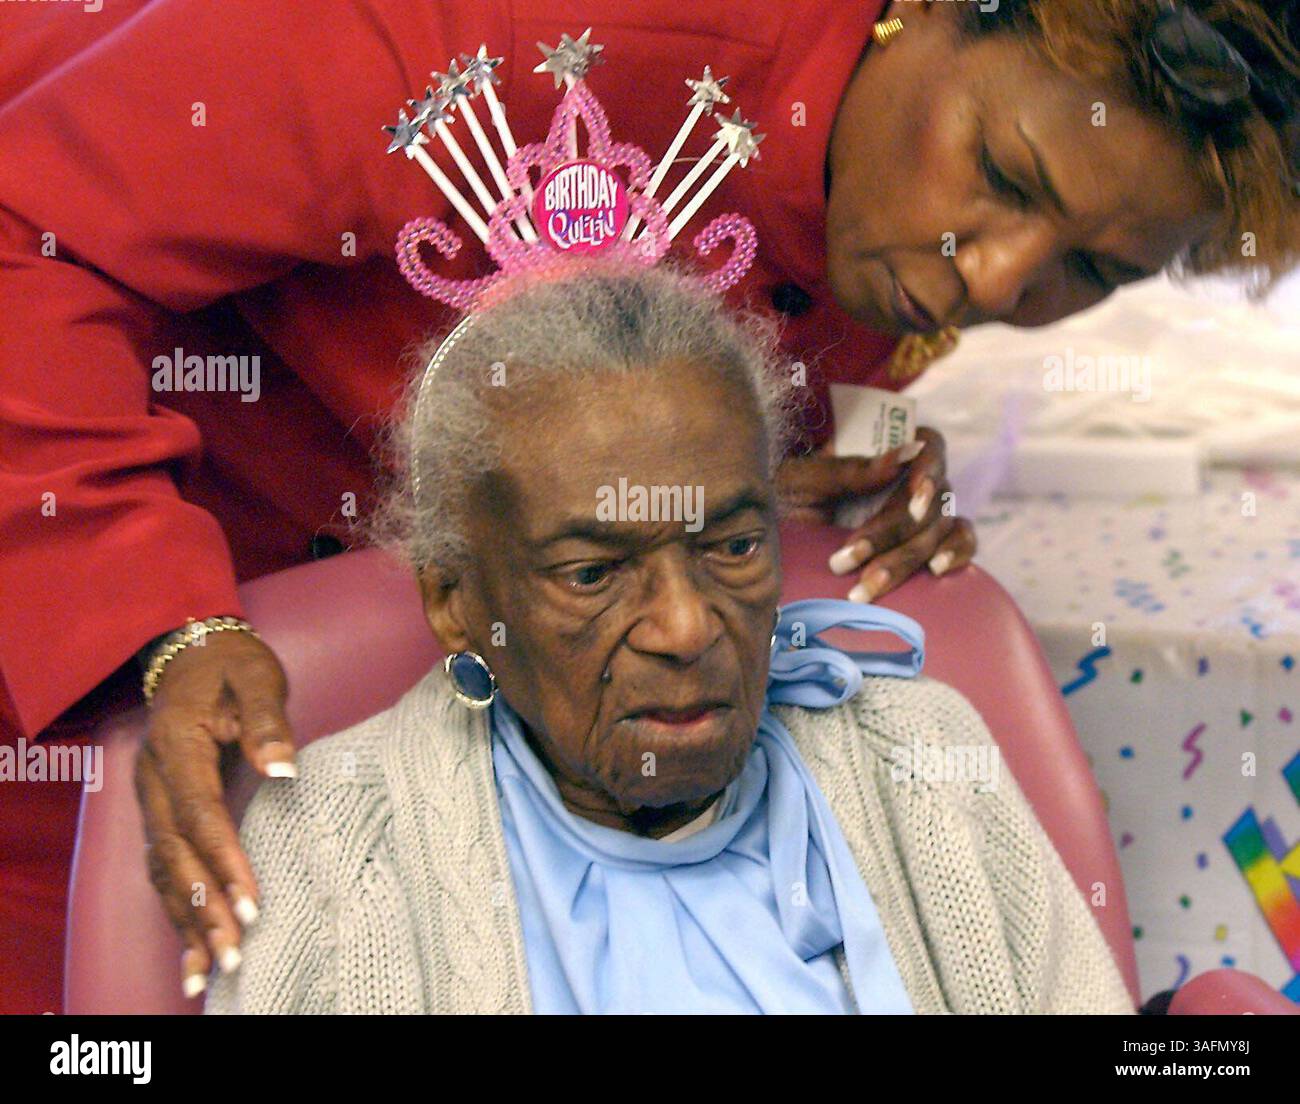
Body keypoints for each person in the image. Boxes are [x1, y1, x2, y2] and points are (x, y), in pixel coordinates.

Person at [1, 0, 1295, 1010]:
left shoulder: (903, 220)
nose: (995, 279)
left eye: (1090, 270)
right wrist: (155, 617)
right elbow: (29, 238)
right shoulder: (501, 38)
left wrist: (808, 467)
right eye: (1005, 178)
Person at [205, 259, 1134, 1014]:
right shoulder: (337, 834)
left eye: (732, 546)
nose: (687, 629)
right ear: (455, 602)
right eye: (593, 573)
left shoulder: (924, 755)